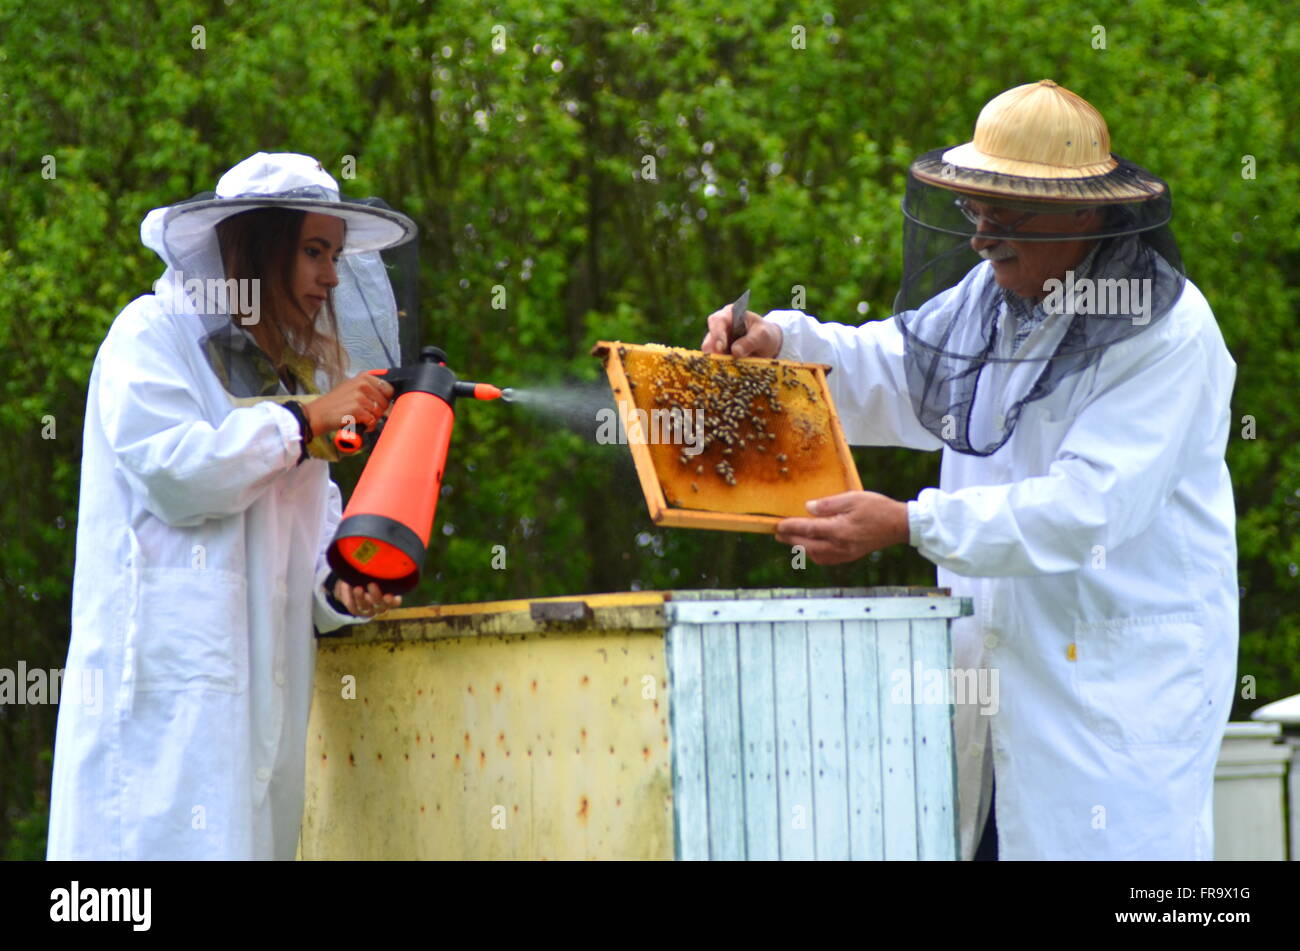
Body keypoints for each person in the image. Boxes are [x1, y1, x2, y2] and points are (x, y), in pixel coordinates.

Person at [702, 80, 1238, 860]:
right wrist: (783, 342)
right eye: (976, 209)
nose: (985, 236)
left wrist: (913, 522)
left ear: (1084, 212)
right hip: (988, 692)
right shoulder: (988, 299)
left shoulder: (1168, 335)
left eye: (1009, 211)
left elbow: (1085, 507)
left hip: (1111, 709)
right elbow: (898, 367)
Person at [47, 152, 416, 860]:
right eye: (314, 251)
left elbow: (307, 541)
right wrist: (303, 424)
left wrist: (342, 583)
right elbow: (177, 472)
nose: (331, 277)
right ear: (256, 247)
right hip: (155, 728)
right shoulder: (149, 335)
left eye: (335, 256)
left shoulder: (284, 378)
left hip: (255, 732)